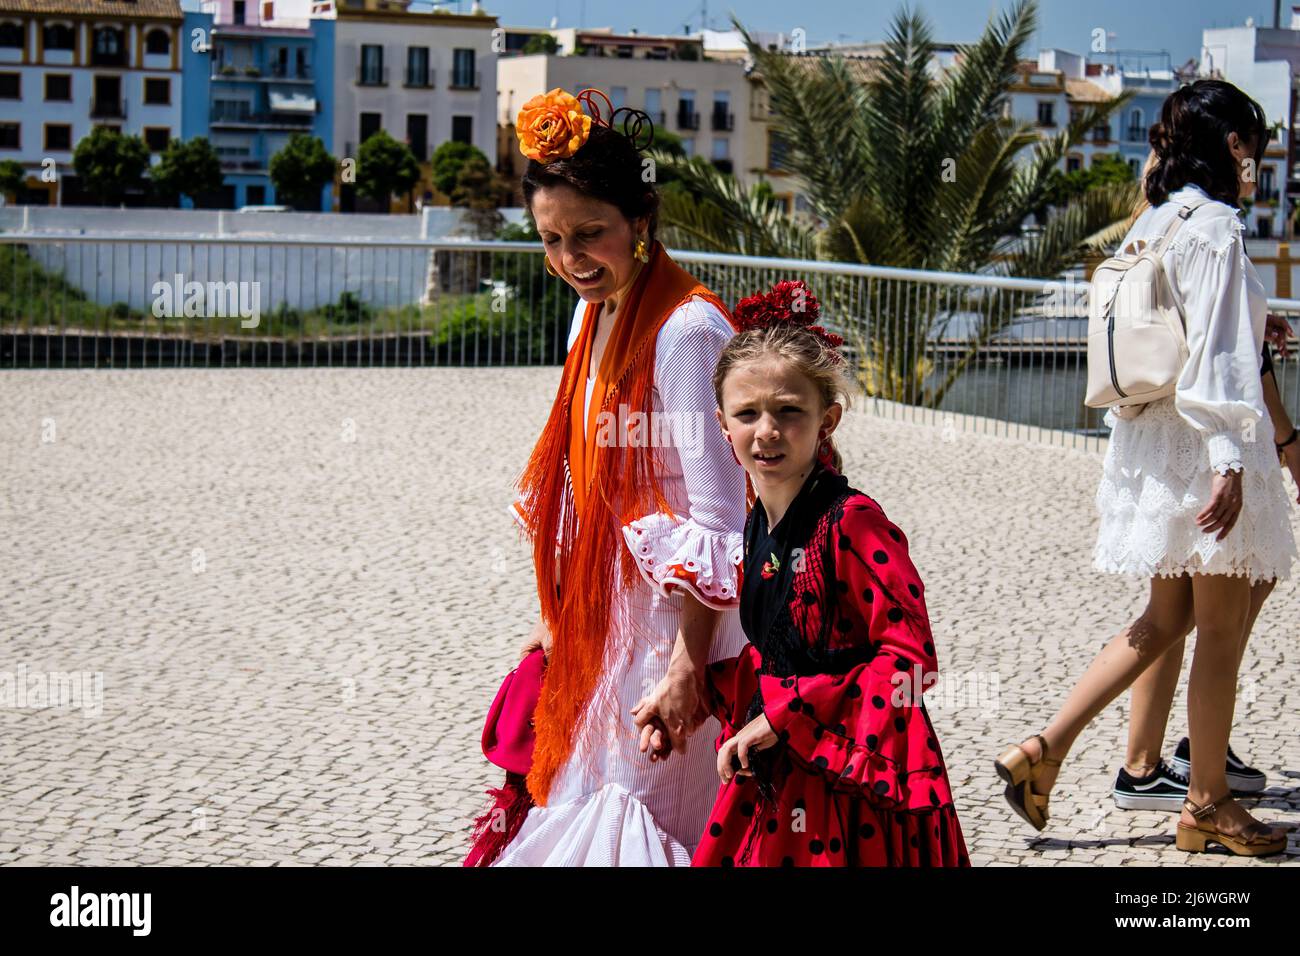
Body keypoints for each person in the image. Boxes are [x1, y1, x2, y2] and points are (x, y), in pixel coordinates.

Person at [995, 79, 1296, 857]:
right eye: (1254, 148)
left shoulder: (1154, 222)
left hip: (1153, 447)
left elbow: (1194, 332)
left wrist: (1263, 325)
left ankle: (1044, 748)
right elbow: (1220, 361)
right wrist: (1231, 461)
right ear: (1233, 147)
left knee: (1163, 620)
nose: (1259, 165)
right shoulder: (1220, 226)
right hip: (1204, 448)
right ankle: (1208, 804)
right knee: (1219, 635)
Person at [483, 88, 750, 866]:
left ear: (640, 221)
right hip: (601, 617)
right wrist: (556, 615)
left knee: (640, 816)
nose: (572, 260)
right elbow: (577, 476)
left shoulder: (687, 331)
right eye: (553, 239)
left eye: (590, 234)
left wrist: (686, 670)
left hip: (663, 631)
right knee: (586, 802)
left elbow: (719, 520)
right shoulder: (589, 314)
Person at [648, 279, 969, 866]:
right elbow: (781, 653)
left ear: (829, 419)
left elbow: (910, 664)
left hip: (850, 789)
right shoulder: (756, 523)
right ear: (722, 426)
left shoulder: (854, 524)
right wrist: (698, 698)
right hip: (777, 770)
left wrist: (789, 714)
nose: (766, 431)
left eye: (788, 411)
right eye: (747, 414)